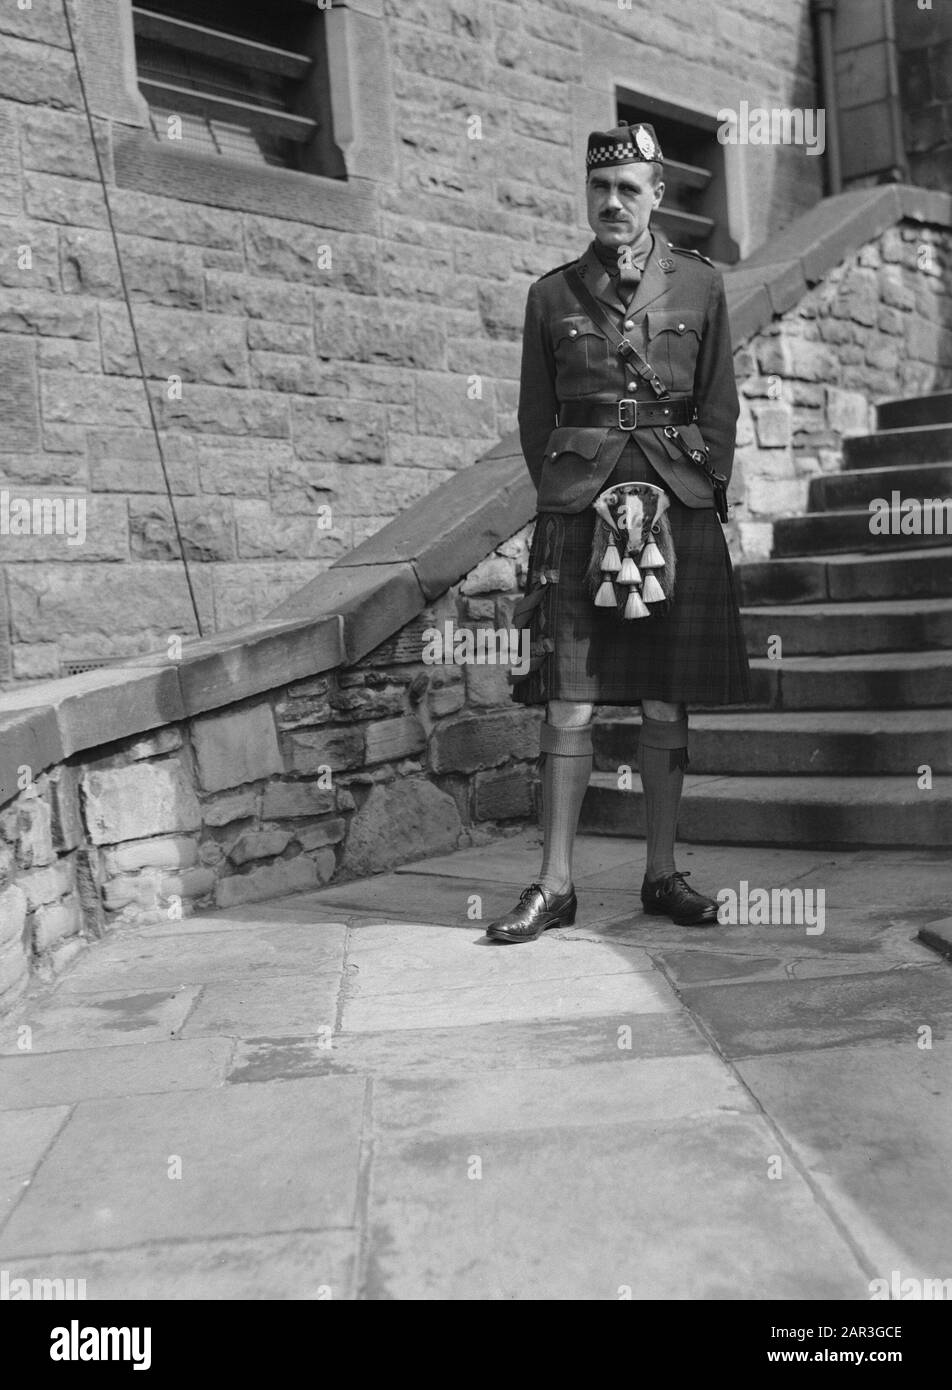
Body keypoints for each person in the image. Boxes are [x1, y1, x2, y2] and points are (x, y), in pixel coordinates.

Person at [486, 121, 752, 945]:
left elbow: (719, 405)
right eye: (600, 188)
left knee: (667, 701)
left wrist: (700, 495)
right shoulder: (552, 294)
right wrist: (571, 493)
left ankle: (662, 874)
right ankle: (555, 884)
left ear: (658, 195)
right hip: (582, 509)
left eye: (629, 188)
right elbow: (538, 420)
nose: (612, 202)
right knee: (568, 703)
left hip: (677, 503)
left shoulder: (701, 287)